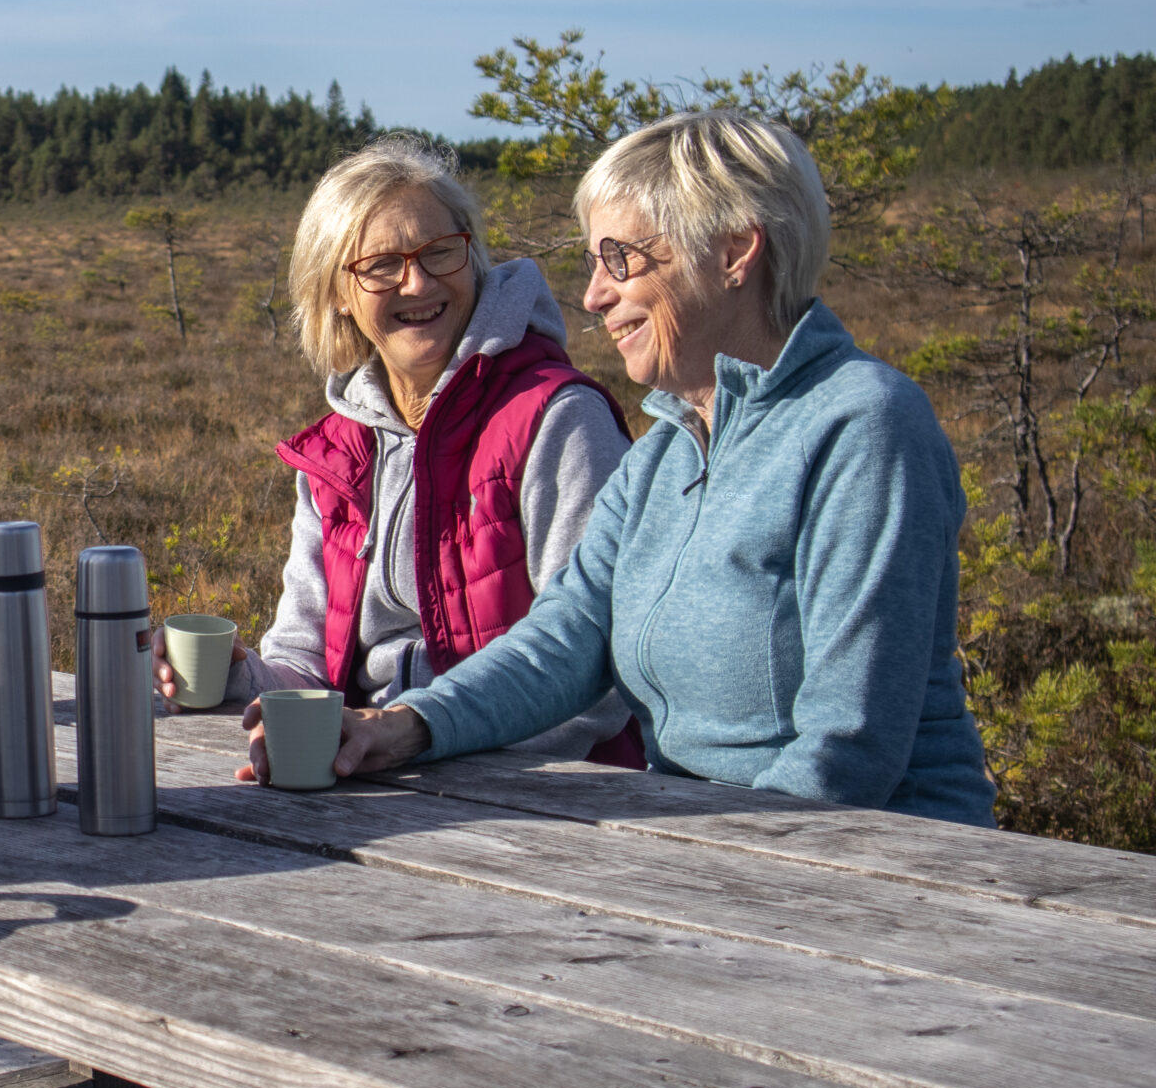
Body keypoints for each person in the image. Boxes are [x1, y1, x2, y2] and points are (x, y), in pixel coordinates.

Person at [309, 111, 993, 825]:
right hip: (718, 850)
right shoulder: (666, 453)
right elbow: (561, 642)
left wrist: (711, 868)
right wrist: (406, 726)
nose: (593, 294)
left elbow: (849, 747)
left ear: (734, 252)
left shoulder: (863, 425)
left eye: (621, 259)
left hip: (894, 874)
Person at [168, 134, 641, 765]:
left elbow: (596, 678)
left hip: (543, 792)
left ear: (471, 259)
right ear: (338, 291)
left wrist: (408, 733)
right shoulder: (338, 452)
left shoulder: (557, 420)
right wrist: (242, 680)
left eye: (440, 252)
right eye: (381, 266)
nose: (417, 283)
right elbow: (307, 664)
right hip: (375, 769)